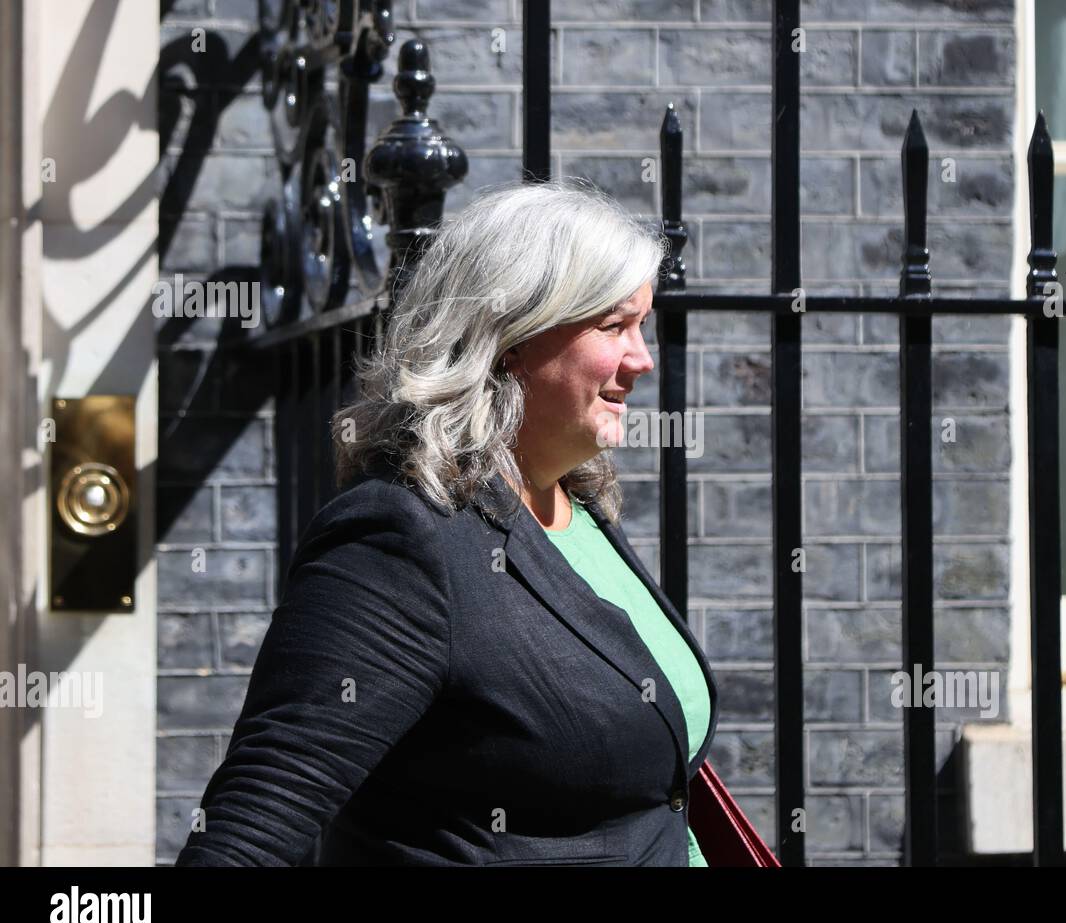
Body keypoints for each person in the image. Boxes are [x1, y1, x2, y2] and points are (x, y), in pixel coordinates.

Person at [175, 180, 717, 866]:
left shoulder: (574, 509)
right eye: (614, 326)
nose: (641, 360)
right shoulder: (399, 539)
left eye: (644, 327)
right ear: (509, 338)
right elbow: (256, 825)